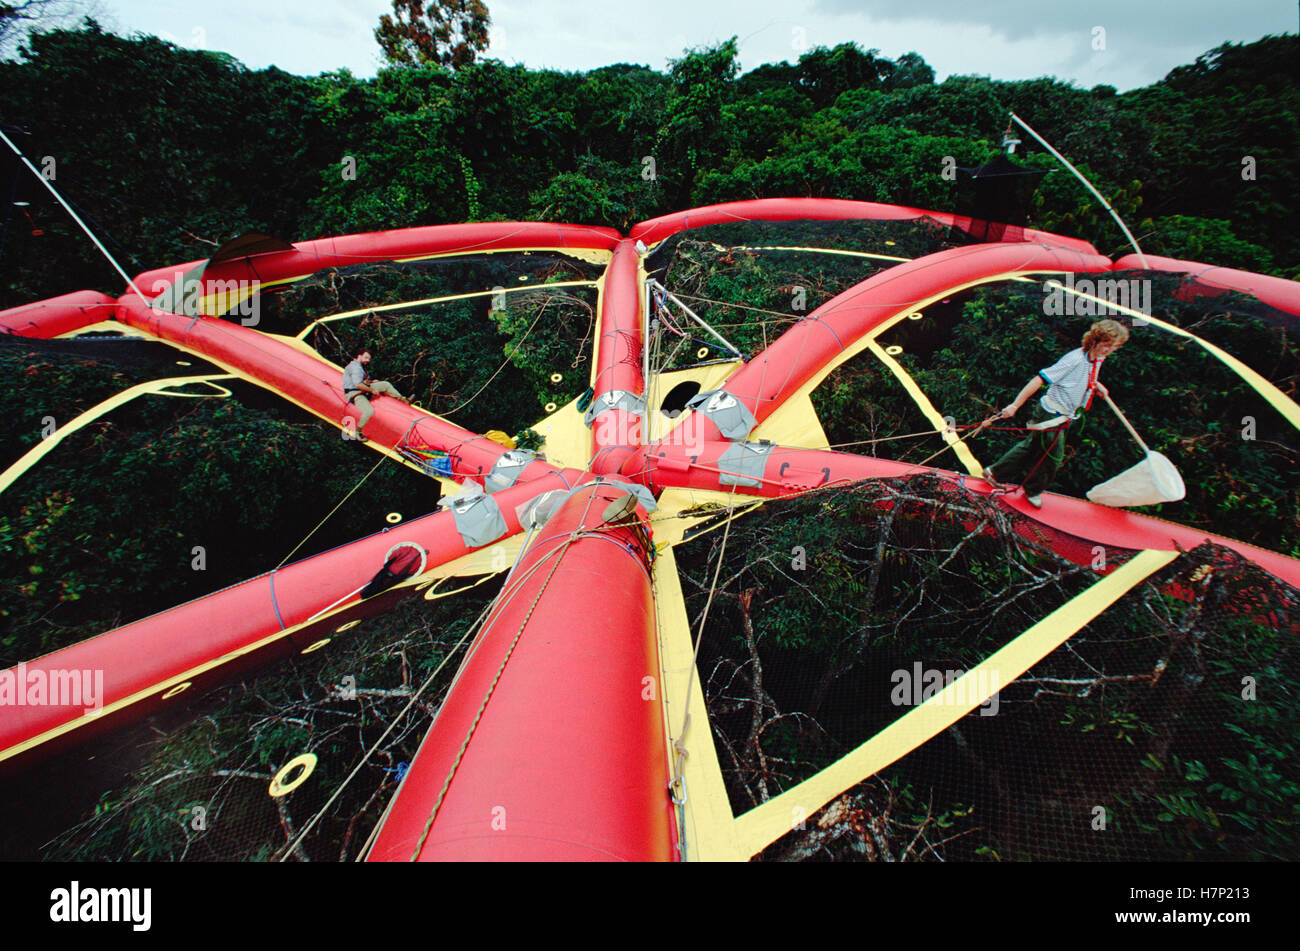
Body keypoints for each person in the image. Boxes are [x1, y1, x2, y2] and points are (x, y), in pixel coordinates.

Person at [983, 319, 1130, 508]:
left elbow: (1088, 374)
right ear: (1095, 340)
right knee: (1053, 457)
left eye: (1114, 347)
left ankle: (995, 473)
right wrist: (1014, 405)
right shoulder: (1074, 360)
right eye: (1107, 345)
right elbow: (1039, 379)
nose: (1109, 350)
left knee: (1031, 446)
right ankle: (1033, 490)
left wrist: (1096, 385)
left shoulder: (1098, 358)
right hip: (1051, 414)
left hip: (1062, 414)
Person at [342, 346, 409, 441]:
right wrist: (372, 390)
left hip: (362, 389)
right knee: (369, 411)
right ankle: (358, 432)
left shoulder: (358, 366)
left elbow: (362, 381)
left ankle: (403, 399)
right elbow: (358, 385)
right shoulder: (356, 368)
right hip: (355, 393)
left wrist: (371, 382)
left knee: (385, 384)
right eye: (366, 357)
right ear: (359, 356)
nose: (367, 360)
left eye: (369, 359)